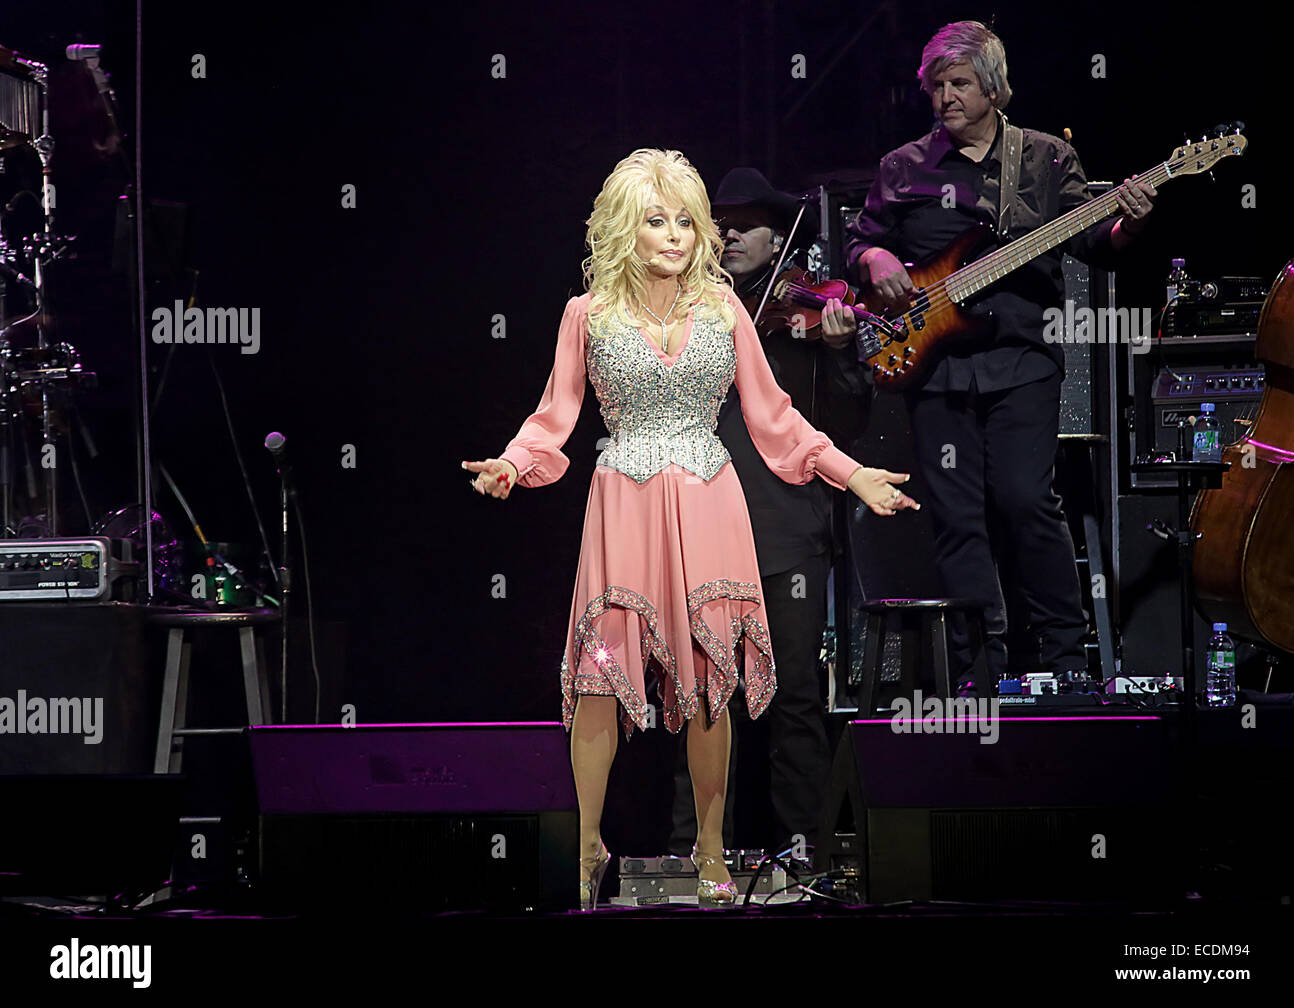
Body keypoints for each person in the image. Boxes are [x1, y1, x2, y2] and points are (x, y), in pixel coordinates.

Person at [462, 149, 918, 909]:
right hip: (623, 502)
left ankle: (710, 847)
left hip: (710, 499)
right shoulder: (589, 315)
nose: (674, 235)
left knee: (712, 685)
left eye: (683, 221)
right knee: (598, 678)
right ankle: (586, 846)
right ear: (623, 229)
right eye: (655, 220)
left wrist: (852, 472)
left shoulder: (724, 308)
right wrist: (513, 464)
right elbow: (553, 419)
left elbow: (777, 420)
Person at [831, 21, 1155, 687]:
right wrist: (879, 255)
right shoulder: (903, 166)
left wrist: (1130, 222)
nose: (945, 96)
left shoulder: (1044, 159)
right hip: (937, 365)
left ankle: (1065, 663)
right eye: (936, 86)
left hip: (1021, 362)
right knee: (955, 519)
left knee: (1025, 499)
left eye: (960, 83)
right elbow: (857, 243)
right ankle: (981, 668)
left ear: (995, 89)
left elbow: (1092, 245)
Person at [667, 167, 871, 863]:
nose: (725, 234)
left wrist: (842, 352)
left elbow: (846, 423)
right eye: (716, 221)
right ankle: (693, 848)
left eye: (746, 223)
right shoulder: (690, 314)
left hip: (786, 524)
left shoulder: (805, 318)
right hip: (701, 522)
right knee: (698, 693)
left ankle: (802, 847)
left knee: (793, 693)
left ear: (782, 237)